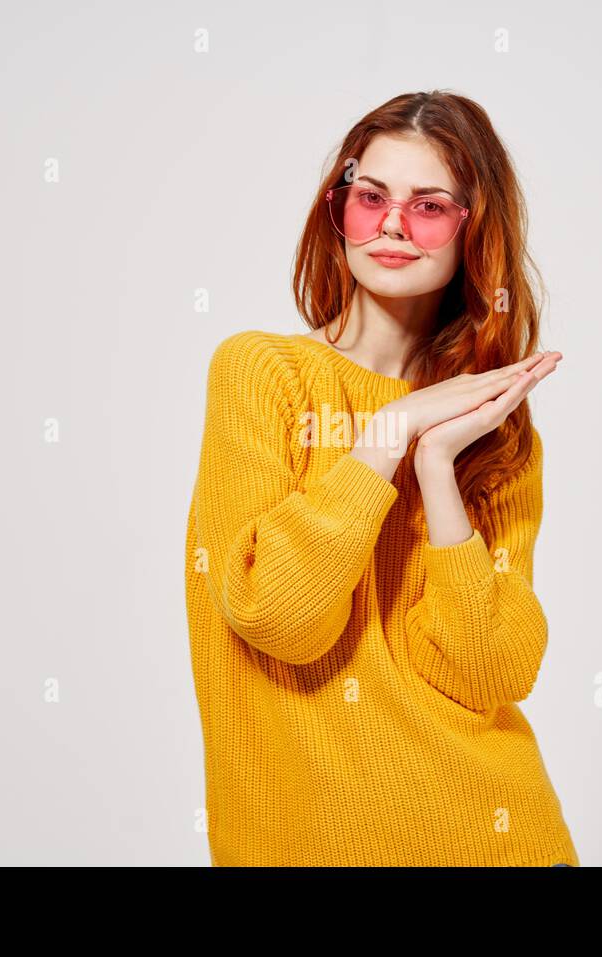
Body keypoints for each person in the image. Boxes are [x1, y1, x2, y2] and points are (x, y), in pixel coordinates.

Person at [184, 89, 578, 867]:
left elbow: (491, 671)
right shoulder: (263, 373)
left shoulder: (492, 428)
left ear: (475, 229)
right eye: (370, 199)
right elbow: (278, 617)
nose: (392, 224)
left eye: (429, 205)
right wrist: (387, 438)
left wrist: (435, 464)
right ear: (341, 212)